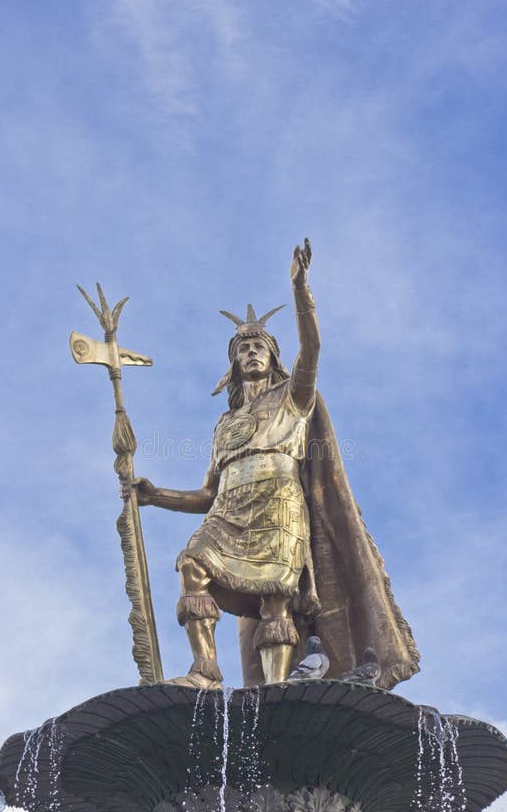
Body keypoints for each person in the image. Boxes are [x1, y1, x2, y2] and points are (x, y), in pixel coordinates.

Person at [135, 239, 420, 690]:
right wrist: (155, 497)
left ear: (272, 357)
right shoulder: (226, 424)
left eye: (258, 346)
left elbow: (313, 349)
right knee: (192, 563)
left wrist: (300, 290)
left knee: (274, 598)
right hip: (228, 509)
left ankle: (274, 687)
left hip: (279, 503)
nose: (250, 352)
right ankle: (205, 670)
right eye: (242, 348)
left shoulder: (293, 398)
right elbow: (207, 494)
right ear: (233, 362)